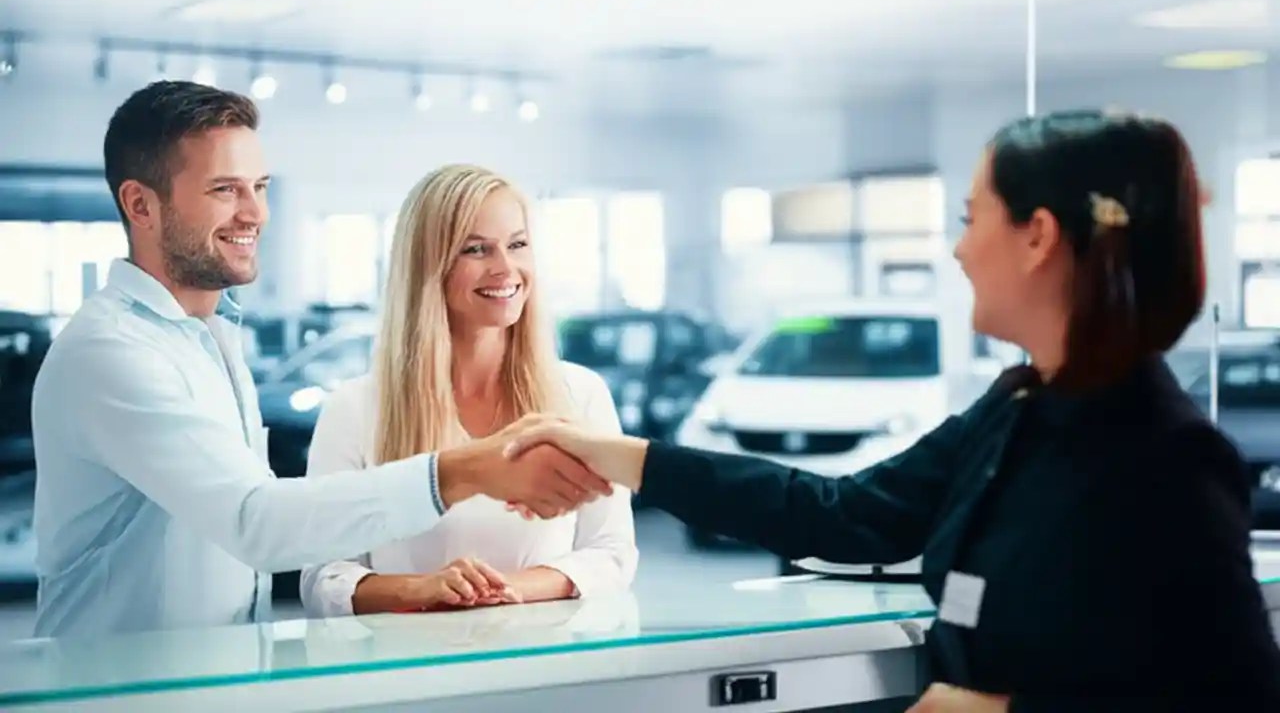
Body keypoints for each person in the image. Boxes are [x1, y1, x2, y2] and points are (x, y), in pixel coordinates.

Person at [503, 110, 1280, 710]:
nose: (959, 251)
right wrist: (623, 458)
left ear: (1038, 236)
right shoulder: (1015, 412)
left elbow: (1228, 696)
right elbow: (841, 513)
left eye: (973, 219)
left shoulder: (1167, 458)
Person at [30, 82, 611, 638]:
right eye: (225, 190)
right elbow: (256, 522)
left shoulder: (211, 337)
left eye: (259, 186)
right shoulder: (112, 353)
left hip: (205, 681)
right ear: (141, 205)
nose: (255, 213)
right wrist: (465, 471)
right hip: (114, 691)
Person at [299, 164, 637, 617]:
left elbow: (611, 554)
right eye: (476, 249)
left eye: (517, 245)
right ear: (429, 267)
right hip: (408, 672)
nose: (505, 268)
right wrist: (423, 590)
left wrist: (503, 590)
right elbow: (324, 577)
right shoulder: (356, 409)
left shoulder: (580, 394)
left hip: (545, 666)